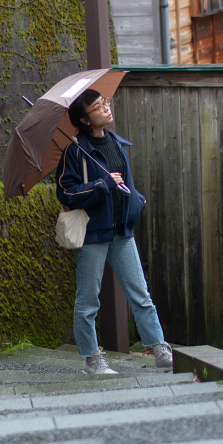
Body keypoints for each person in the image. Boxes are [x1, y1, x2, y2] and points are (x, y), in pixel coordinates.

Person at [56, 88, 173, 375]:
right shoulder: (76, 151)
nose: (106, 108)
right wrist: (101, 185)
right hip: (94, 233)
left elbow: (127, 184)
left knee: (140, 294)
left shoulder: (116, 144)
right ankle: (91, 359)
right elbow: (65, 192)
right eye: (97, 107)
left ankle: (160, 349)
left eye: (105, 102)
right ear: (85, 119)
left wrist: (136, 200)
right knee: (88, 300)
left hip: (122, 232)